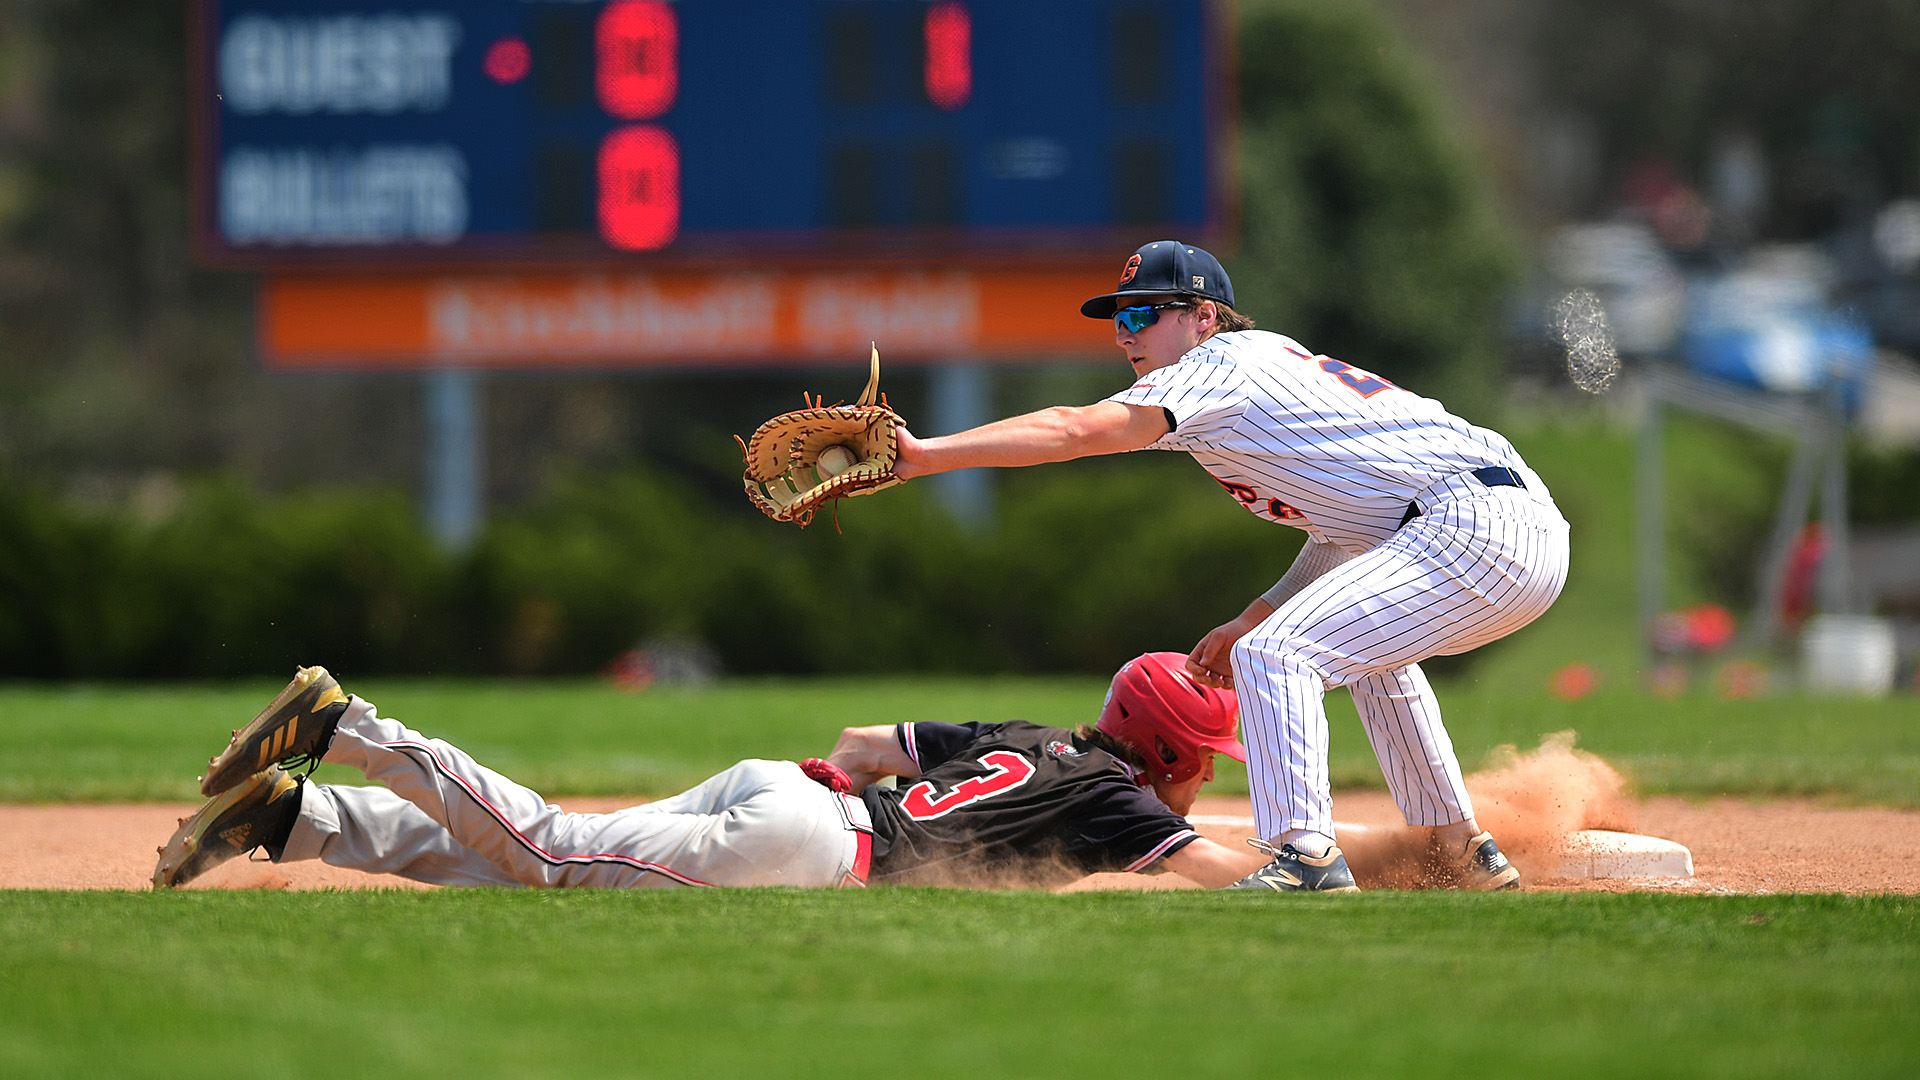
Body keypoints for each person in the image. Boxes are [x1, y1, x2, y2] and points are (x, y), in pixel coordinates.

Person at [890, 240, 1570, 892]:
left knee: (1278, 656)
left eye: (1143, 314)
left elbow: (1074, 429)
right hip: (1491, 524)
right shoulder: (1248, 380)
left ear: (1203, 317)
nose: (1127, 333)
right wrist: (1252, 615)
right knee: (1363, 657)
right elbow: (1349, 533)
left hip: (1471, 522)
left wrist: (926, 455)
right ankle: (1459, 848)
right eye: (1119, 319)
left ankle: (1303, 855)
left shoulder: (1219, 365)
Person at [154, 655, 1269, 891]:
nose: (1203, 780)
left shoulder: (1037, 735)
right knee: (552, 853)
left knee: (540, 872)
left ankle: (301, 817)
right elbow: (1217, 870)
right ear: (1168, 749)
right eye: (1203, 758)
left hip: (807, 799)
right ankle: (346, 728)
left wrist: (819, 788)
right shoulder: (1121, 800)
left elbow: (870, 743)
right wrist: (1311, 873)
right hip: (816, 848)